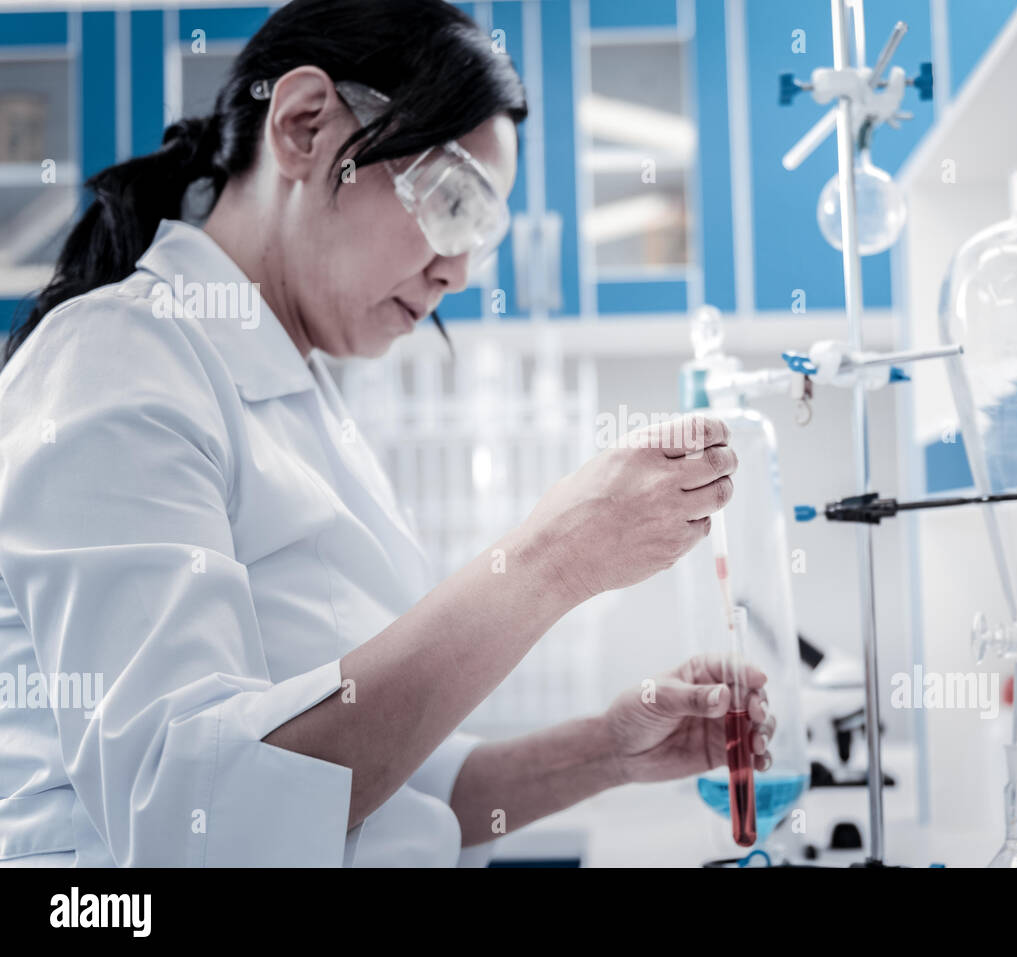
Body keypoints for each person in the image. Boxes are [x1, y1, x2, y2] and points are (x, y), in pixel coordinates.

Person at [0, 0, 771, 867]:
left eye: (484, 233)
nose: (460, 271)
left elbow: (380, 794)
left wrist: (606, 750)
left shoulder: (310, 402)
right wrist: (558, 557)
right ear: (303, 126)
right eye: (452, 201)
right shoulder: (118, 357)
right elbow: (195, 821)